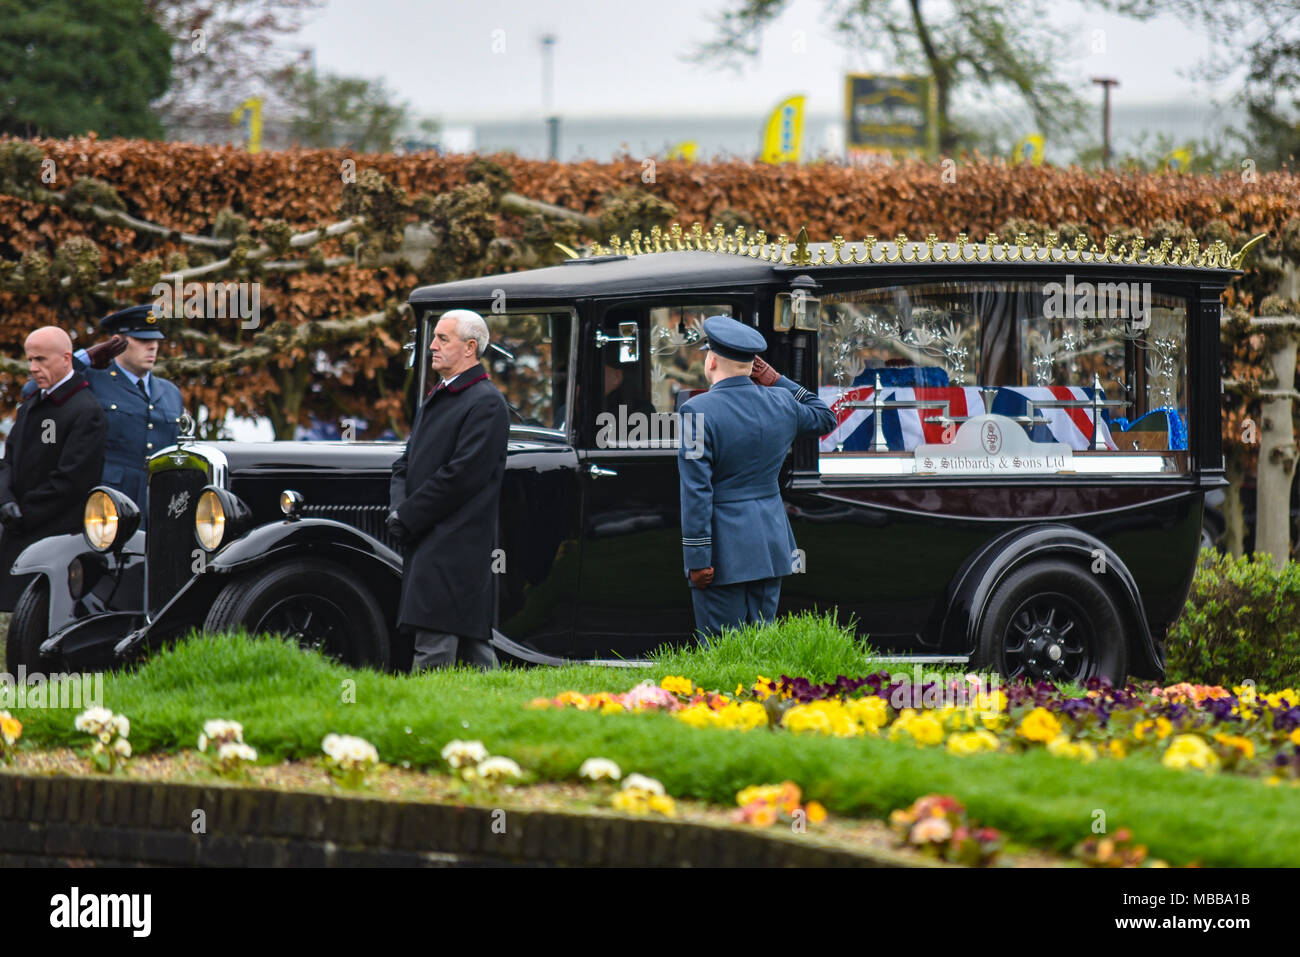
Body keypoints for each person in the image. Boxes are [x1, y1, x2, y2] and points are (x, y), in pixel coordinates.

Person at [677, 315, 836, 641]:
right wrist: (778, 379)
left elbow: (696, 490)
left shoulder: (696, 412)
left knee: (723, 653)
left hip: (723, 552)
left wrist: (697, 557)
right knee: (761, 646)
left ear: (712, 360)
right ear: (753, 365)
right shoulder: (781, 401)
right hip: (771, 545)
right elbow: (825, 416)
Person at [388, 309, 510, 670]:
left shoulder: (487, 402)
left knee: (435, 644)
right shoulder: (440, 395)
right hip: (430, 538)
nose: (432, 346)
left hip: (455, 547)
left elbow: (461, 476)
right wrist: (398, 511)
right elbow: (404, 464)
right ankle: (503, 714)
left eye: (443, 339)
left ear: (470, 347)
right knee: (471, 647)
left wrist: (408, 515)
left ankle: (425, 720)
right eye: (434, 337)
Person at [0, 327, 107, 611]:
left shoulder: (86, 410)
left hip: (55, 538)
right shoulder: (31, 405)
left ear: (65, 358)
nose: (33, 368)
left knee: (36, 621)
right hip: (17, 529)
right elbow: (8, 462)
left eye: (41, 360)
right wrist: (6, 501)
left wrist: (25, 513)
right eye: (30, 360)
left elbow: (72, 480)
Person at [76, 305, 184, 513]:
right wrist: (84, 359)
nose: (152, 346)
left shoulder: (170, 392)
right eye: (143, 340)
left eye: (155, 340)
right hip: (108, 502)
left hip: (159, 503)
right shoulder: (93, 380)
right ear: (118, 342)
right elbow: (40, 388)